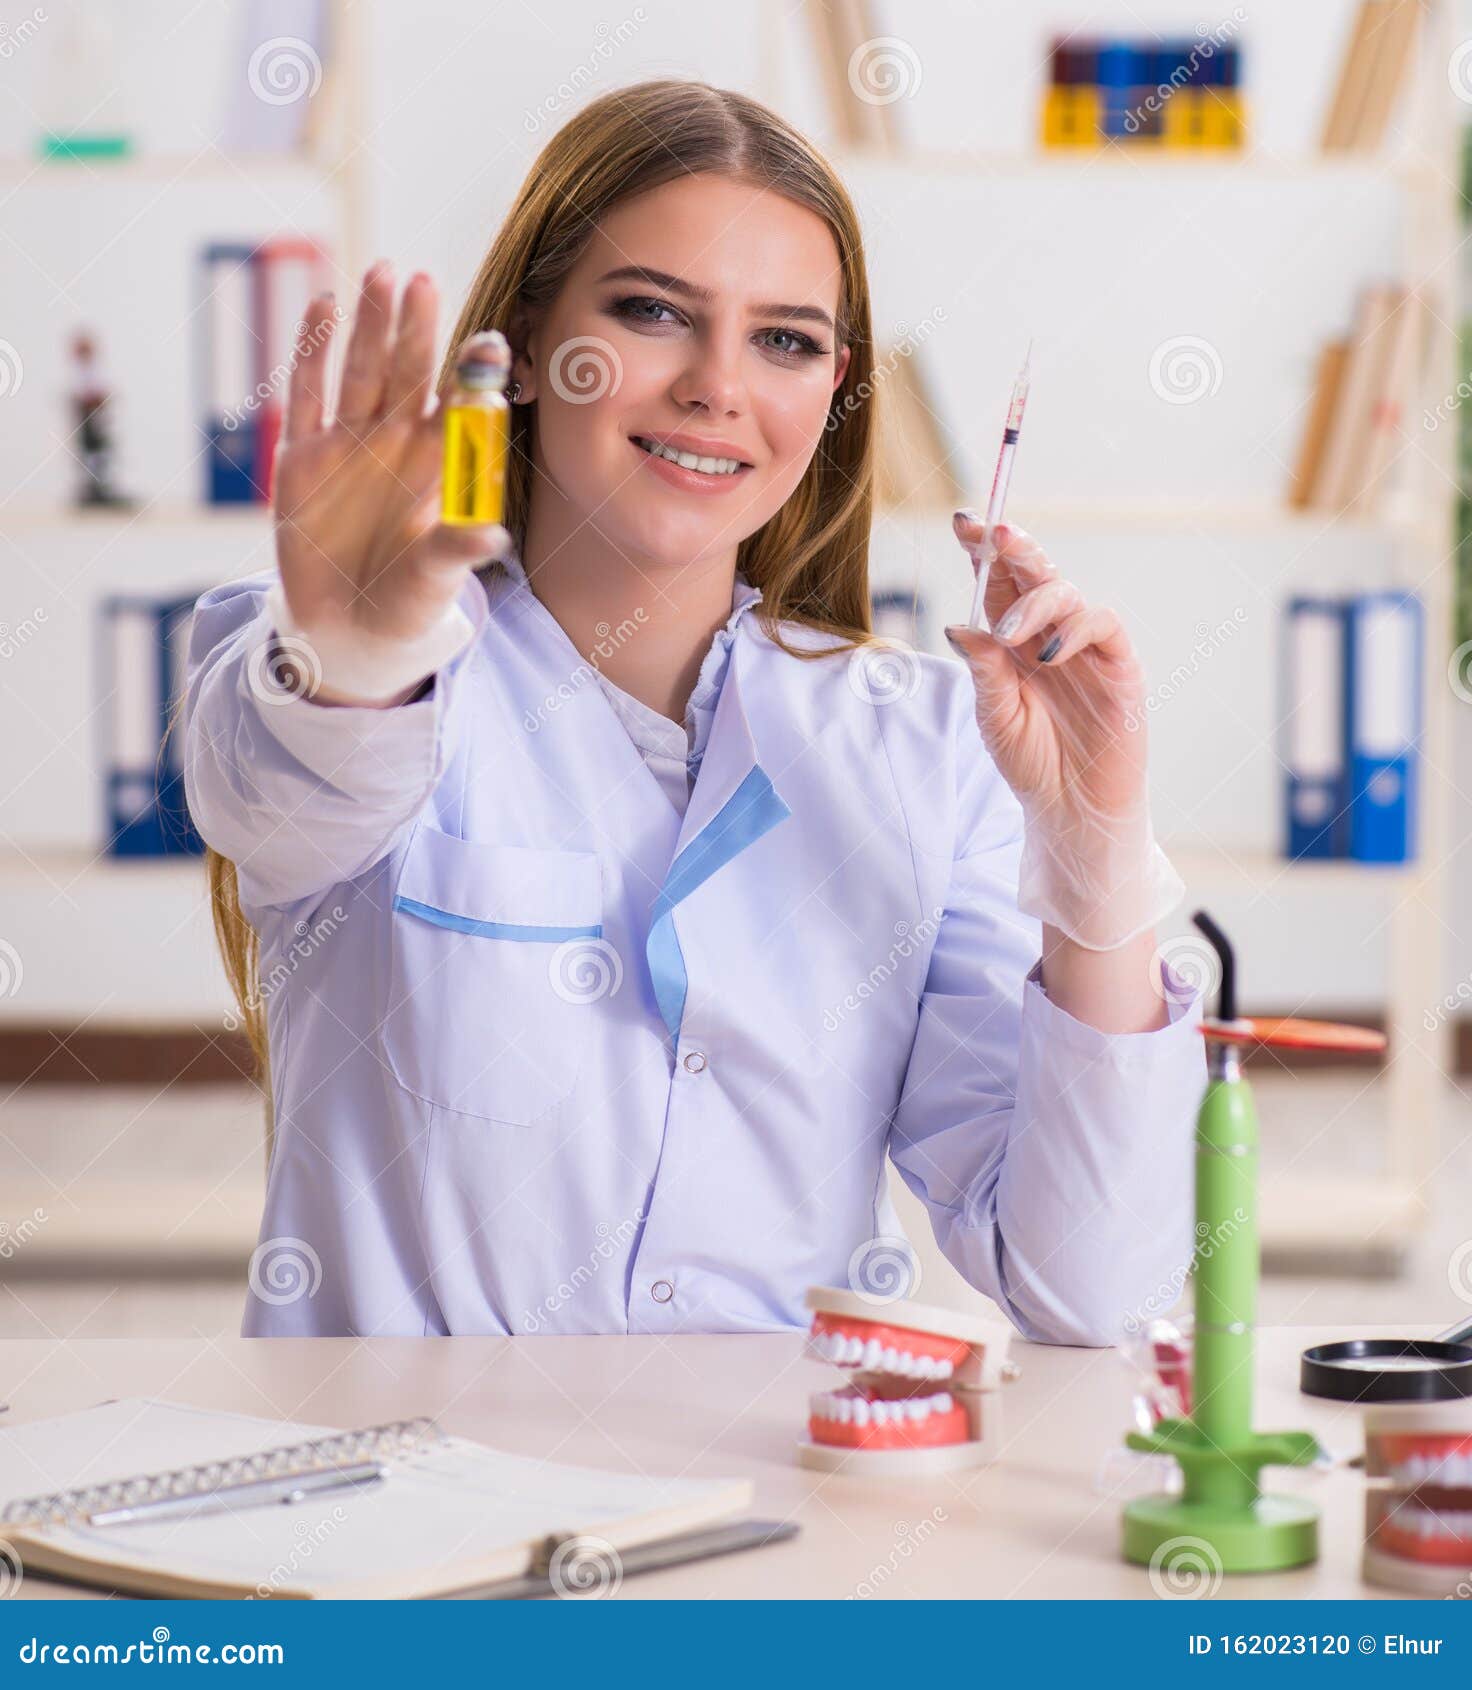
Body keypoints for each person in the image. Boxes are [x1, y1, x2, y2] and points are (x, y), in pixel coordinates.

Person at [183, 79, 1204, 1342]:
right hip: (404, 1513)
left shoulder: (926, 741)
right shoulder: (345, 671)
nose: (719, 387)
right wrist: (359, 644)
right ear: (527, 346)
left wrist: (1091, 852)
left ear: (831, 389)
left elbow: (1088, 1290)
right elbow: (277, 794)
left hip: (772, 1511)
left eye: (783, 340)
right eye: (652, 312)